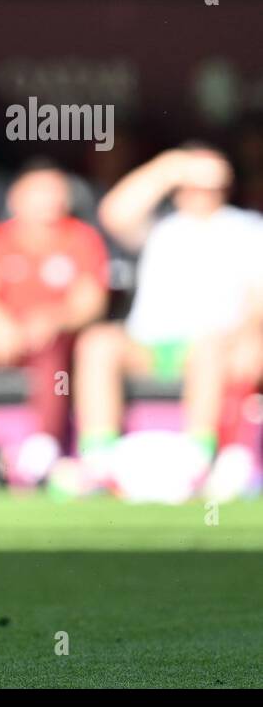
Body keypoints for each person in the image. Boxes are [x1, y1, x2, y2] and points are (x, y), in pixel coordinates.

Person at [74, 144, 263, 470]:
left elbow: (257, 299)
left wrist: (252, 337)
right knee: (97, 343)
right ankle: (98, 454)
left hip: (212, 346)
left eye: (211, 187)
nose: (202, 194)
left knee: (209, 349)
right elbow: (113, 213)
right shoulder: (161, 227)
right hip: (146, 345)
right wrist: (171, 165)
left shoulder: (247, 228)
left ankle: (197, 454)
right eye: (193, 185)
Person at [0, 163, 108, 466]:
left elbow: (90, 302)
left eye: (56, 192)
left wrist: (53, 319)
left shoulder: (82, 238)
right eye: (39, 192)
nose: (49, 201)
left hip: (48, 337)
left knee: (51, 350)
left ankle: (45, 446)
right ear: (16, 199)